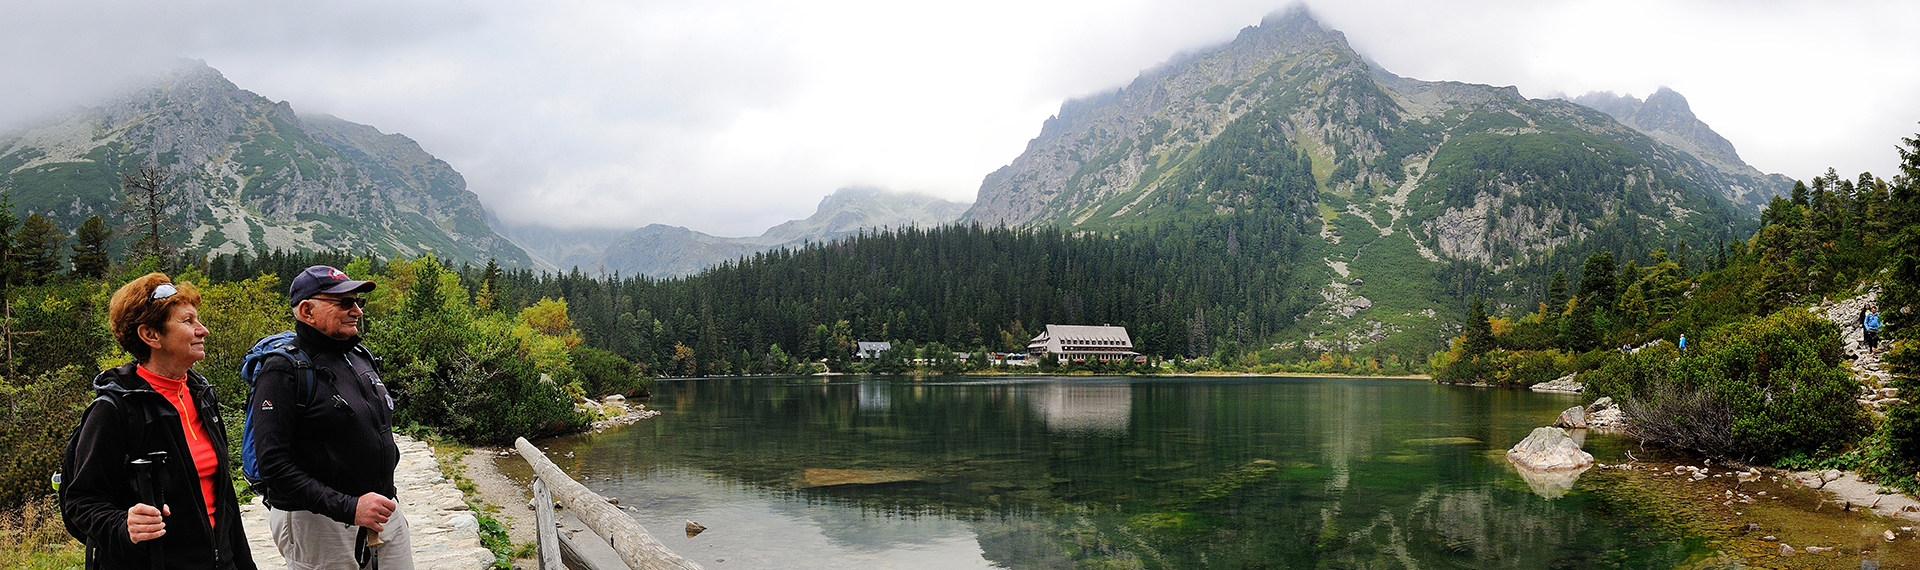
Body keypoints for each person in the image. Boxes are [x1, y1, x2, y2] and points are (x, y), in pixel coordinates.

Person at [63, 274, 257, 570]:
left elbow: (224, 497)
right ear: (151, 335)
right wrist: (122, 524)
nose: (202, 330)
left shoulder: (201, 395)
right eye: (188, 321)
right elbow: (80, 502)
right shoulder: (114, 409)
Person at [249, 266, 411, 570]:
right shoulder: (282, 370)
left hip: (381, 511)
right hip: (316, 523)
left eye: (358, 302)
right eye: (345, 303)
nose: (357, 311)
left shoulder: (359, 356)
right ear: (308, 310)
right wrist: (350, 507)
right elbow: (273, 466)